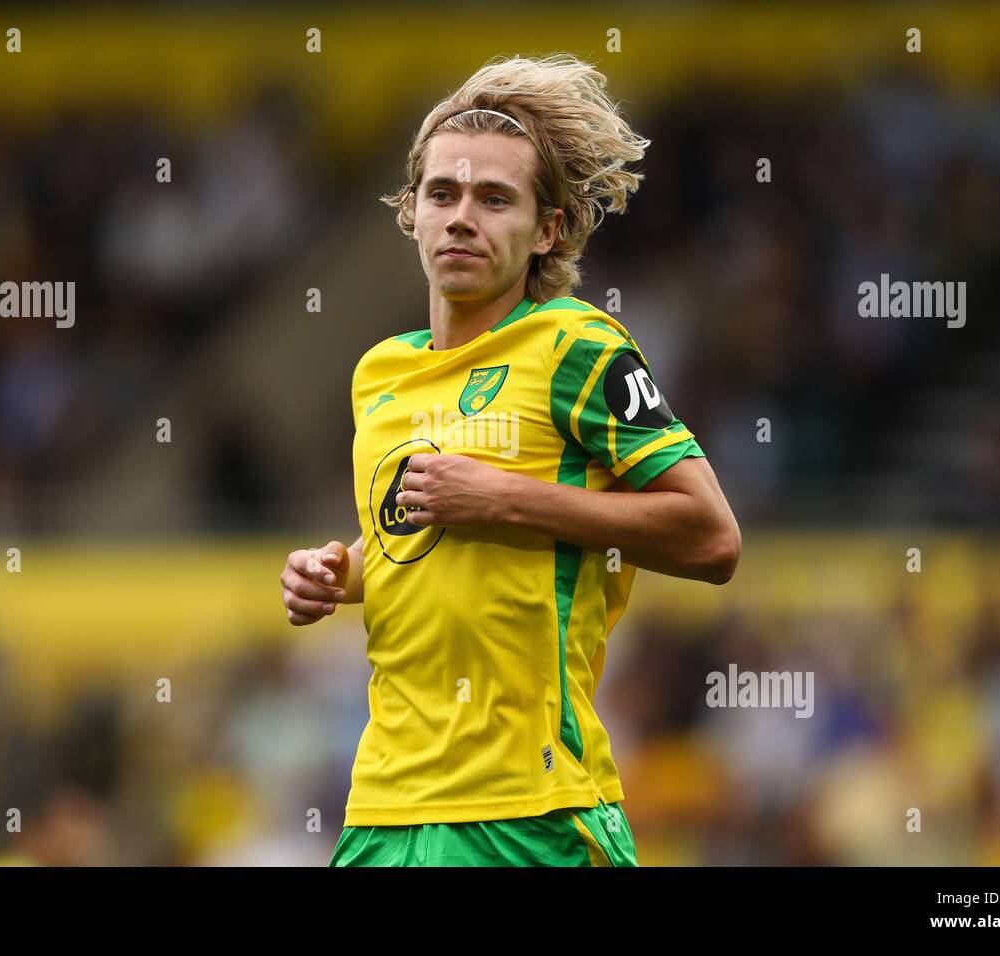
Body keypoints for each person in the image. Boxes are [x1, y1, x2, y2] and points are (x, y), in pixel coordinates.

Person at [280, 53, 740, 866]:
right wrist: (338, 571)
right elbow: (411, 540)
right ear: (411, 214)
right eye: (442, 195)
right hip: (384, 809)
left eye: (496, 199)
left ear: (547, 229)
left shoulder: (578, 347)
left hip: (530, 811)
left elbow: (711, 539)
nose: (463, 218)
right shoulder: (379, 374)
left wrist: (503, 499)